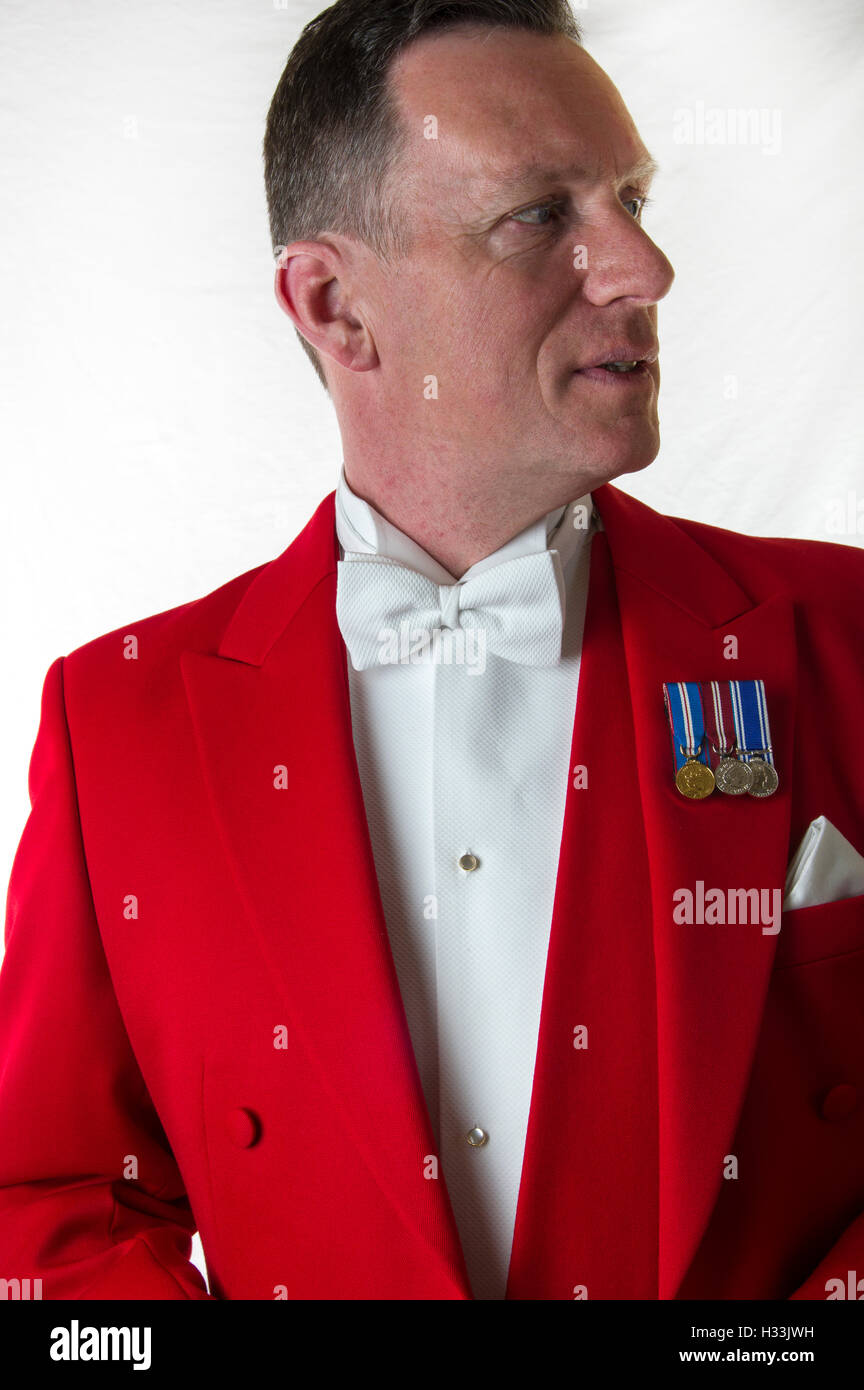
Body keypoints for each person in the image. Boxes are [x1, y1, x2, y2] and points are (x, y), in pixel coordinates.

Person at [1, 0, 863, 1302]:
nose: (643, 265)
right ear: (337, 306)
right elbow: (50, 1196)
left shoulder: (845, 638)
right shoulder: (115, 721)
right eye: (540, 216)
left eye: (628, 195)